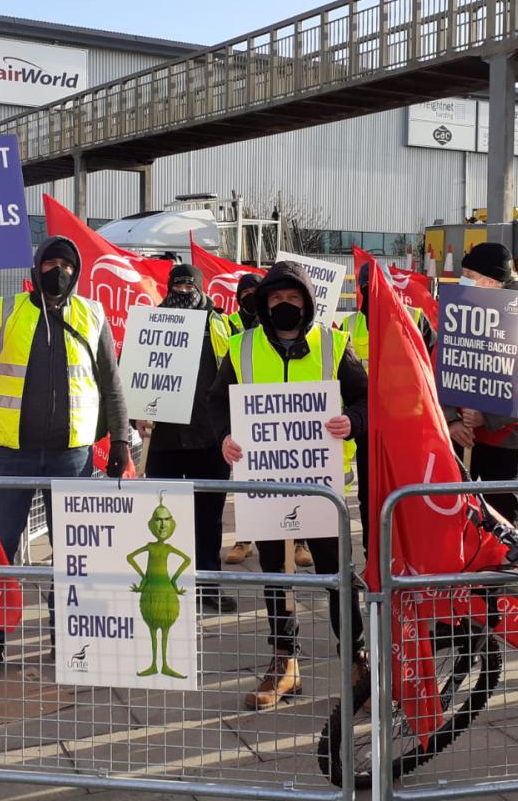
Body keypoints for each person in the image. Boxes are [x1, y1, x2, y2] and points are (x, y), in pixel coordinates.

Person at [0, 235, 130, 679]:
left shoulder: (92, 315)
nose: (60, 272)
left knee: (71, 555)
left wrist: (122, 443)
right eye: (51, 263)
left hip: (70, 457)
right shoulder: (8, 310)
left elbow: (111, 383)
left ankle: (68, 643)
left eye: (68, 266)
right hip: (11, 455)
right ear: (36, 268)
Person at [209, 260, 368, 709]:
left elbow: (366, 396)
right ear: (263, 303)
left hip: (321, 484)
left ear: (307, 303)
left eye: (292, 298)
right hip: (266, 482)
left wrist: (351, 420)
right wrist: (225, 437)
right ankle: (284, 664)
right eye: (276, 298)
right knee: (276, 577)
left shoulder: (333, 344)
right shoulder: (241, 347)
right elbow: (216, 403)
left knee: (336, 572)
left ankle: (356, 660)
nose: (284, 305)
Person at [138, 264, 237, 614]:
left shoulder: (223, 324)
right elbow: (132, 374)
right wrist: (137, 412)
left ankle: (209, 583)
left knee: (209, 519)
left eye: (188, 284)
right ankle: (166, 583)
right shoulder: (150, 323)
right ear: (168, 288)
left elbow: (240, 371)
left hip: (210, 441)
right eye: (176, 284)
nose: (182, 290)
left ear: (201, 287)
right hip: (163, 440)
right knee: (163, 519)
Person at [453, 243, 518, 525]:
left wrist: (488, 416)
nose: (464, 281)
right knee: (458, 521)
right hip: (461, 437)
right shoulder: (458, 313)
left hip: (506, 442)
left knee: (504, 522)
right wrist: (451, 420)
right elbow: (440, 370)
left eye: (469, 274)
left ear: (490, 281)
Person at [338, 260, 435, 546]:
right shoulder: (349, 324)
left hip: (407, 428)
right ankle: (374, 558)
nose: (373, 295)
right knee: (370, 499)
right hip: (368, 429)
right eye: (367, 289)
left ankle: (407, 557)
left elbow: (431, 375)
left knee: (407, 497)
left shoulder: (416, 319)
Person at [224, 273, 263, 567]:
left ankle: (297, 541)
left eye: (255, 291)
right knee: (245, 480)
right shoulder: (228, 324)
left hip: (269, 411)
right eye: (245, 292)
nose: (250, 296)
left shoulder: (272, 322)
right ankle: (244, 539)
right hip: (238, 411)